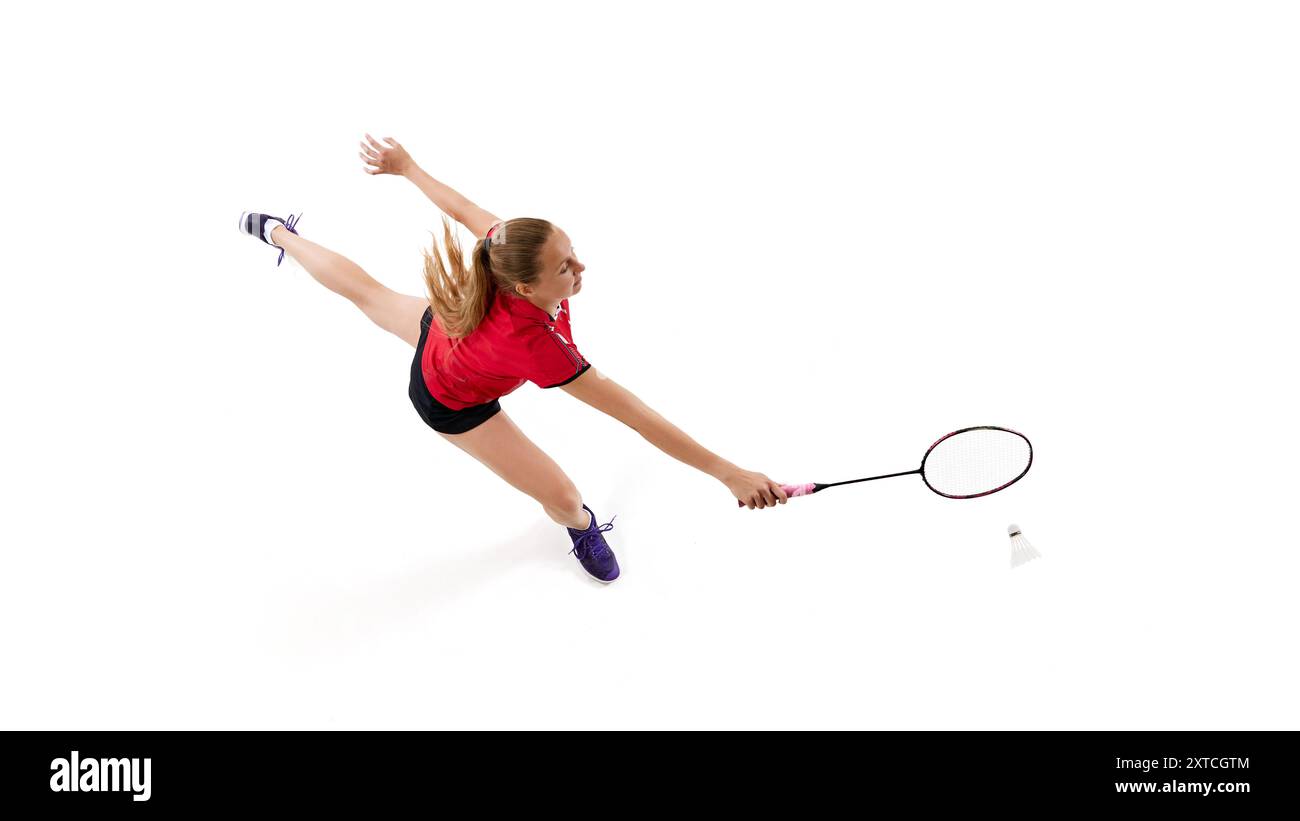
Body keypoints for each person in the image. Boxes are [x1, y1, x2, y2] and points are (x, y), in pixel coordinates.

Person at [238, 134, 787, 584]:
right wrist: (730, 474)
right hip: (449, 401)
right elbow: (635, 415)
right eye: (565, 268)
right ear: (525, 287)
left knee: (371, 296)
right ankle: (581, 526)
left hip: (445, 328)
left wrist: (408, 167)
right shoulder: (535, 345)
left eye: (572, 252)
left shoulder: (504, 253)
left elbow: (461, 208)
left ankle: (279, 234)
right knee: (568, 497)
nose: (581, 267)